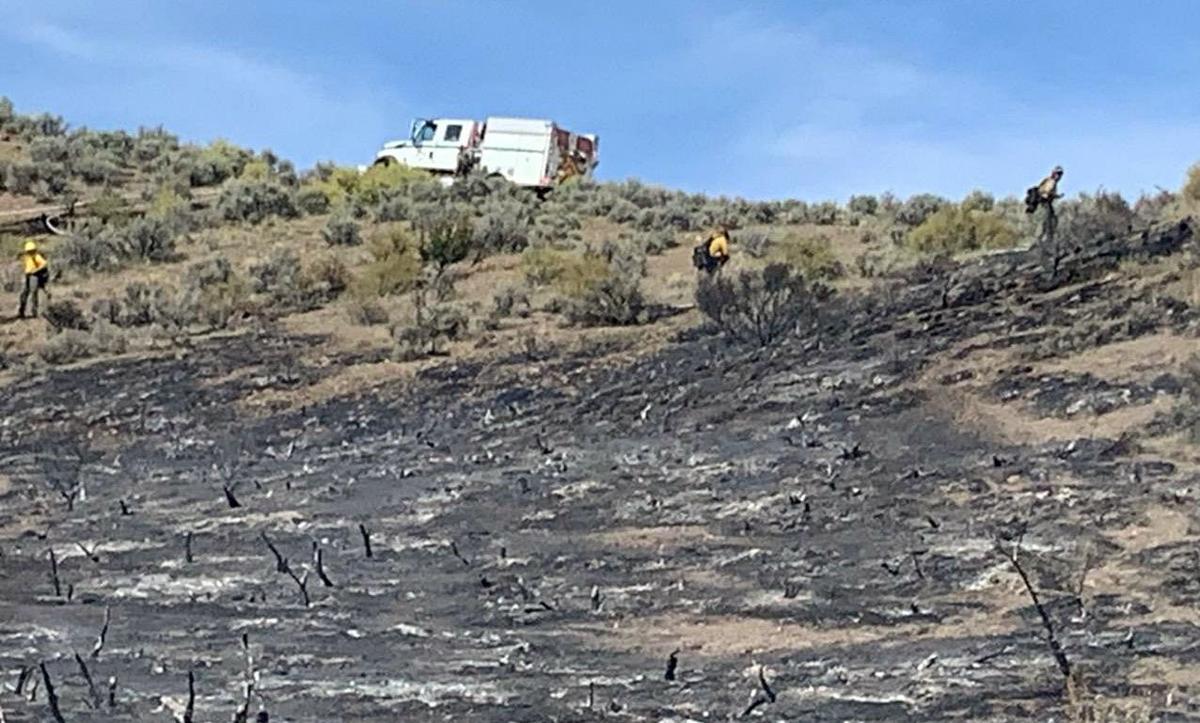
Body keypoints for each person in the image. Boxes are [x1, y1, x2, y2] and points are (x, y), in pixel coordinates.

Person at [1025, 165, 1064, 241]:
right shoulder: (1051, 182)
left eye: (1060, 174)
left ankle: (1046, 237)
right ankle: (1047, 238)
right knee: (1049, 221)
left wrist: (1056, 196)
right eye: (1058, 174)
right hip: (1044, 203)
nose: (1059, 176)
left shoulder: (1049, 181)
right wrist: (1053, 196)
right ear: (1054, 174)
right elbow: (1046, 193)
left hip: (1044, 203)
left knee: (1051, 220)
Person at [18, 239, 50, 319]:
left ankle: (34, 312)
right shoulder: (27, 257)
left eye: (31, 250)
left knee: (33, 293)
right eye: (29, 251)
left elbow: (44, 264)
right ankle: (22, 311)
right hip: (27, 275)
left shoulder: (37, 256)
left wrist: (36, 270)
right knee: (24, 293)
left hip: (34, 276)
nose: (30, 252)